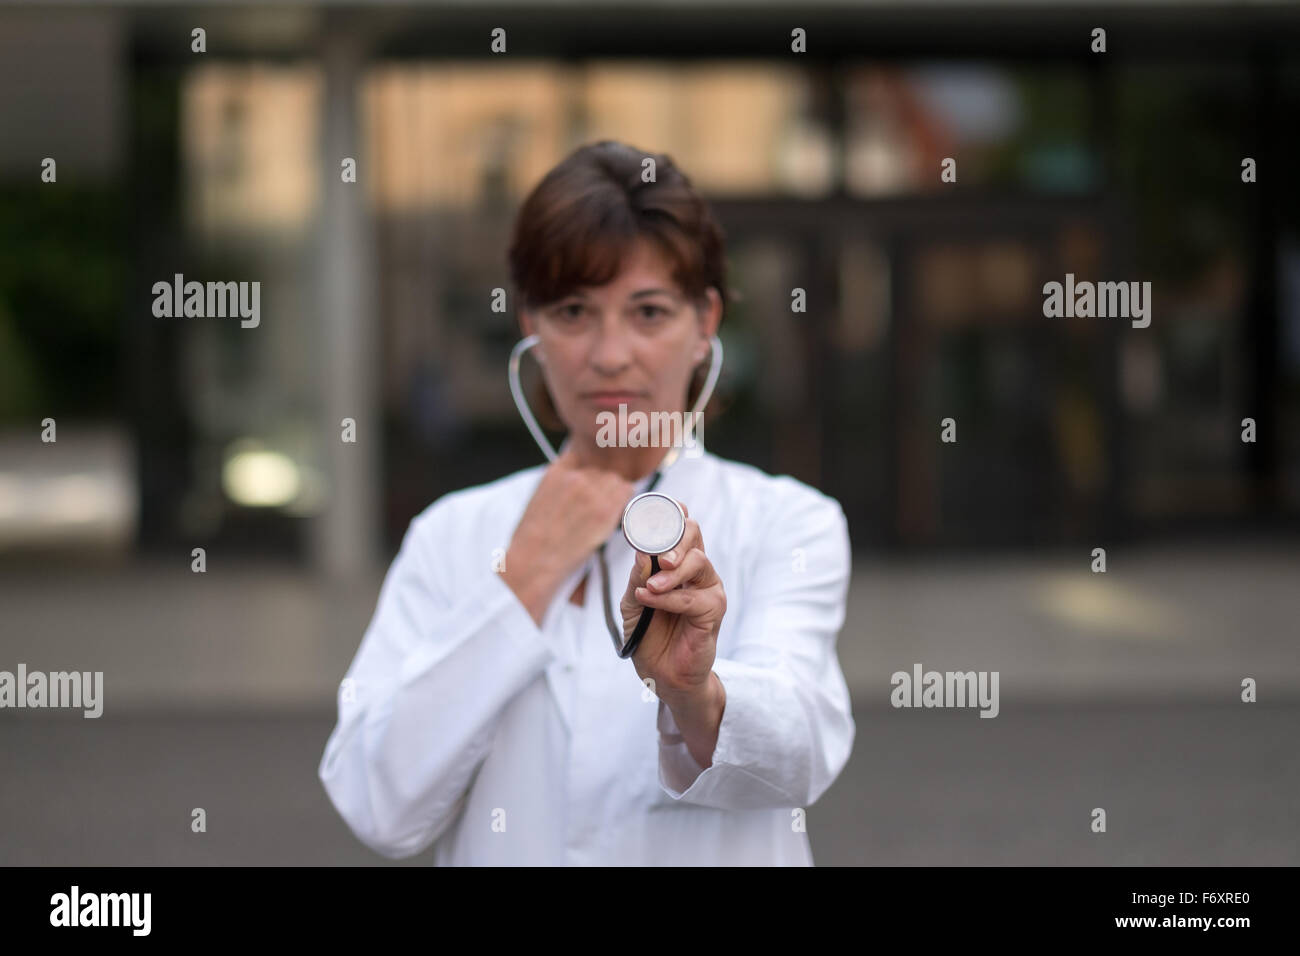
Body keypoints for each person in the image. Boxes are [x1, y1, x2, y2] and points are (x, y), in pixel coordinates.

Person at [318, 140, 855, 865]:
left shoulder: (787, 522)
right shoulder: (452, 534)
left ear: (705, 326)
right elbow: (378, 805)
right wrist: (526, 578)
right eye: (574, 311)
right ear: (530, 329)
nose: (609, 354)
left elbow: (801, 757)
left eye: (649, 311)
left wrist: (696, 696)